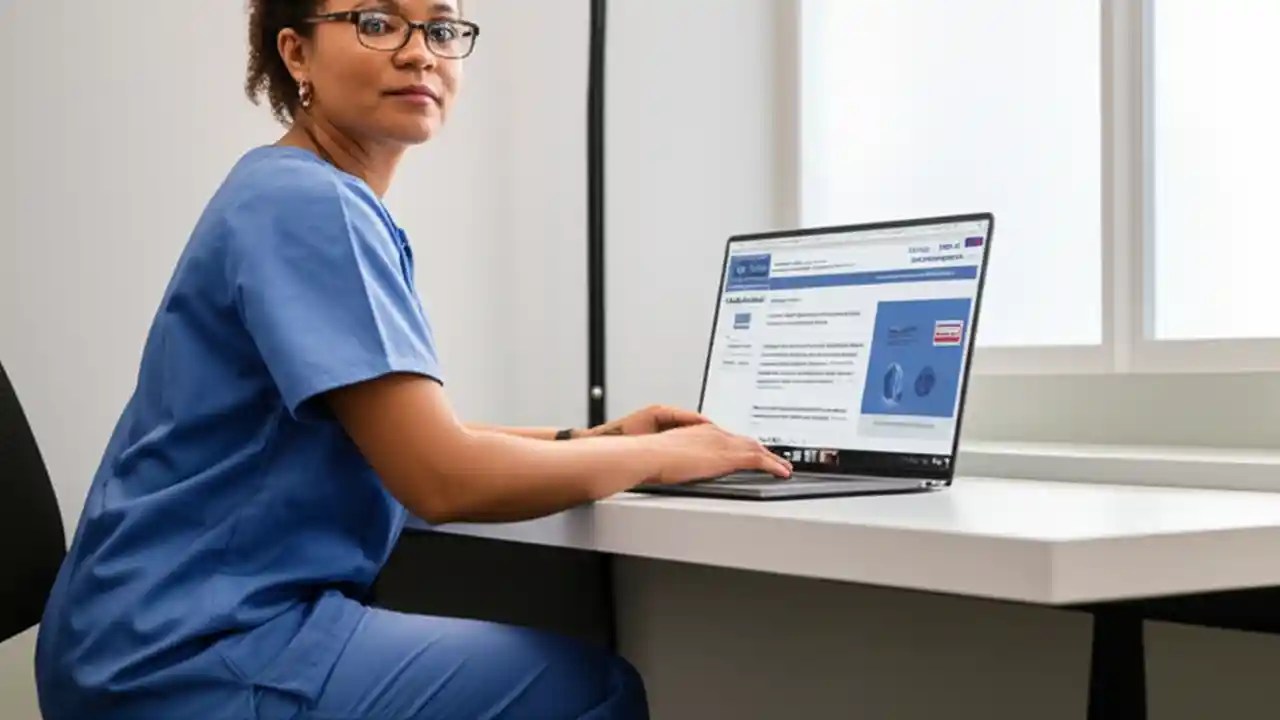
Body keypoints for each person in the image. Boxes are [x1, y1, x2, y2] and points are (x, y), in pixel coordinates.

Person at [33, 1, 791, 718]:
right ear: (296, 51)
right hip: (190, 652)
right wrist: (661, 459)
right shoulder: (310, 208)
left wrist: (587, 442)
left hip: (136, 634)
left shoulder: (287, 191)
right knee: (587, 692)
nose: (418, 52)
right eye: (377, 22)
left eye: (441, 29)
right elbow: (439, 476)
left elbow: (409, 435)